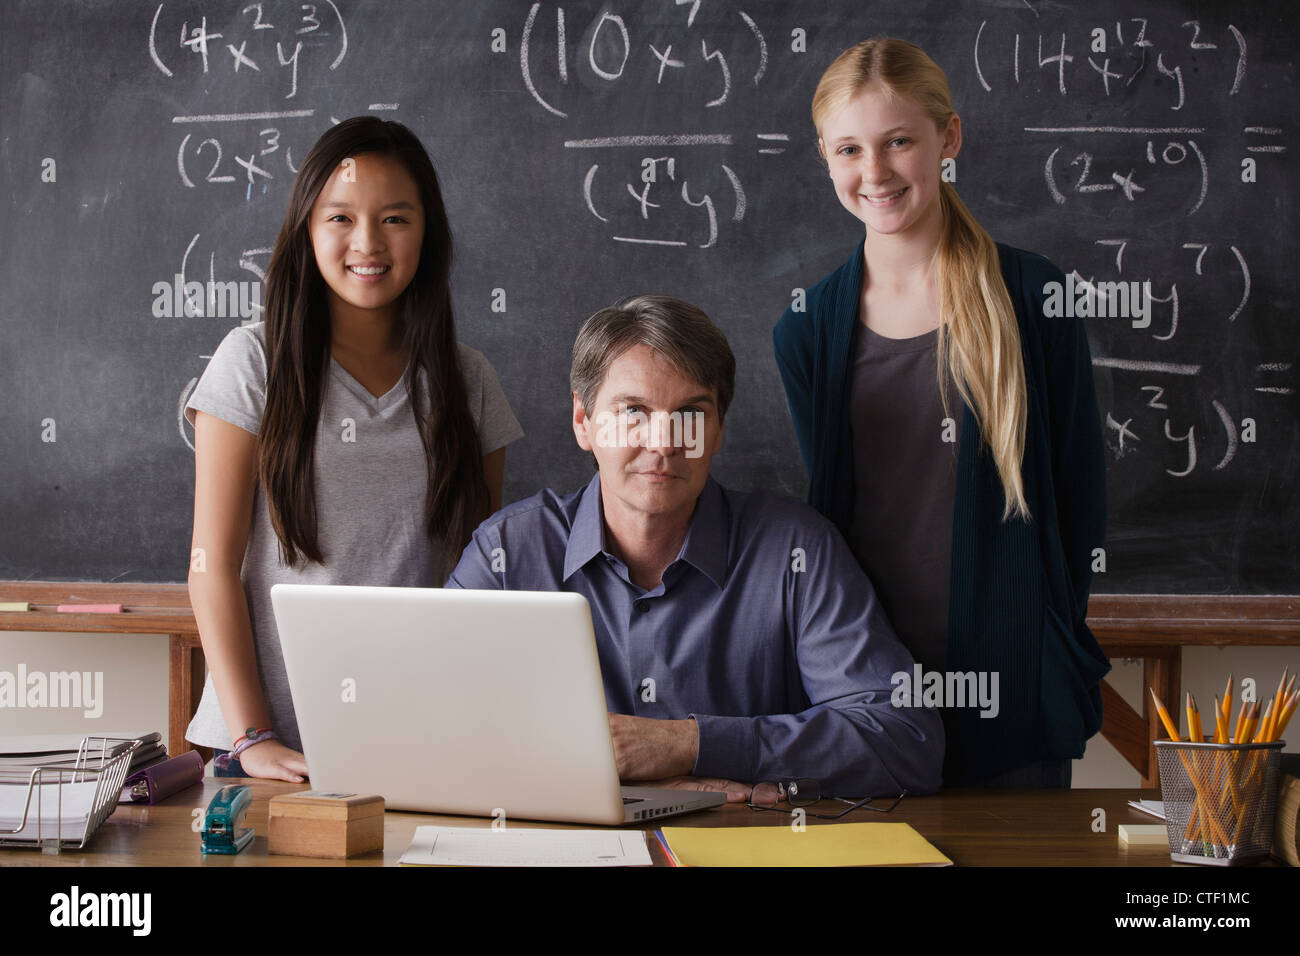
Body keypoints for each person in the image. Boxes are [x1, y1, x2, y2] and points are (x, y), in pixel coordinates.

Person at [773, 38, 1110, 787]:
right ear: (825, 157)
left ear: (948, 138)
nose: (876, 172)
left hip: (1012, 690)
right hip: (864, 692)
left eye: (900, 142)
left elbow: (1080, 495)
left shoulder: (1033, 297)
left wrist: (1043, 632)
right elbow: (831, 518)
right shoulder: (807, 329)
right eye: (850, 149)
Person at [447, 295, 943, 802]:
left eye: (691, 414)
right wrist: (615, 770)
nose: (663, 443)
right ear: (583, 422)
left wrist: (690, 744)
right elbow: (435, 729)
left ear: (719, 430)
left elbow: (905, 740)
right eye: (633, 412)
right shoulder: (506, 553)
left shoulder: (797, 550)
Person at [185, 117, 523, 780]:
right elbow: (211, 566)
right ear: (307, 228)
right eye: (340, 217)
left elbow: (480, 577)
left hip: (414, 740)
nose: (367, 242)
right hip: (263, 745)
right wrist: (254, 736)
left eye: (395, 218)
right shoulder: (252, 363)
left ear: (428, 232)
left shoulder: (468, 381)